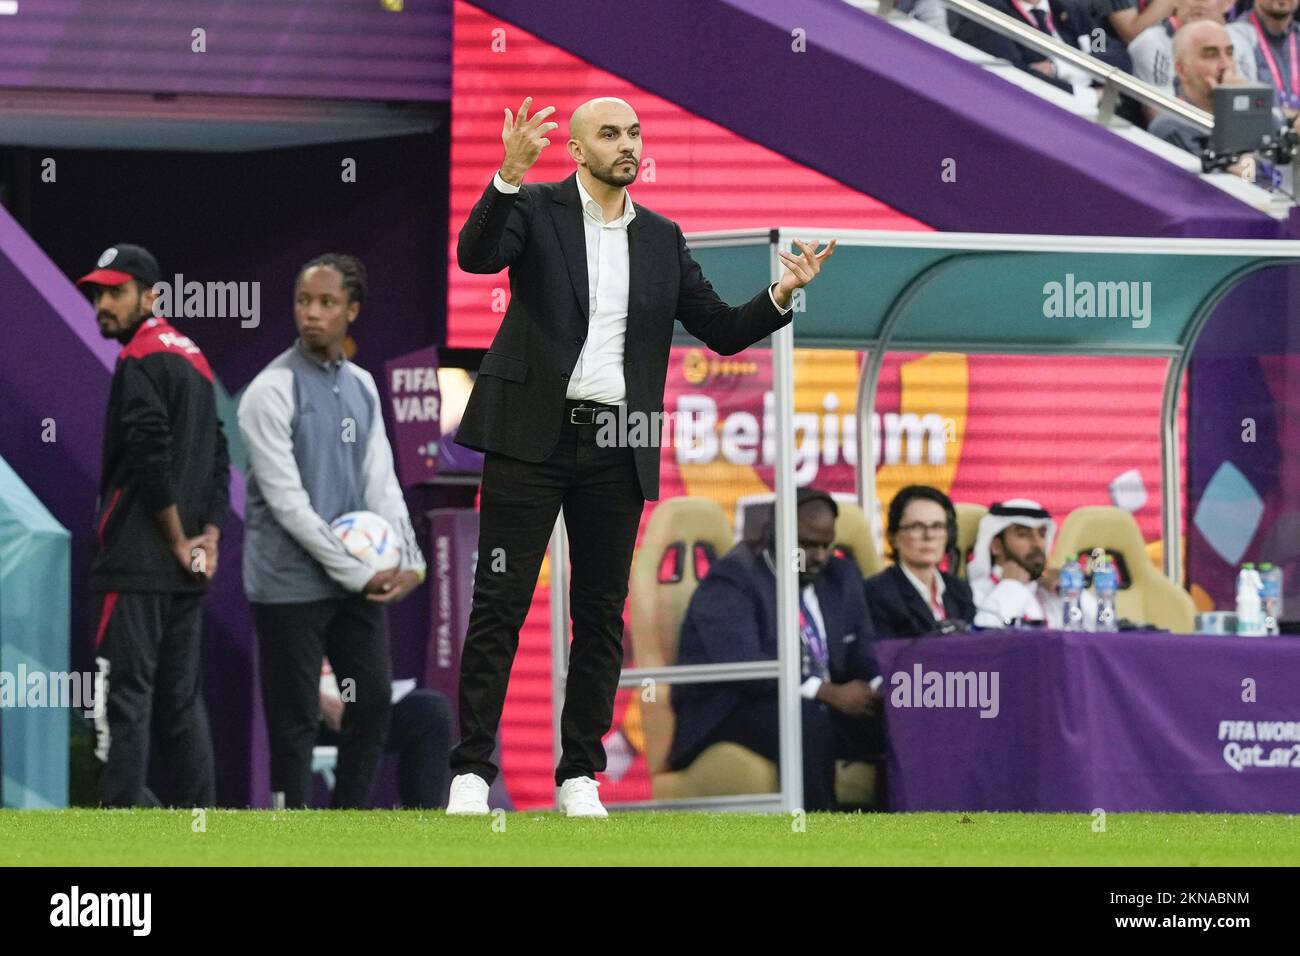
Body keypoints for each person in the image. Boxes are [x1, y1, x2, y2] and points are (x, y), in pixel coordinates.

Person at [448, 95, 836, 817]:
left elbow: (719, 329)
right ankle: (471, 770)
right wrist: (505, 174)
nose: (626, 143)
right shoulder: (534, 208)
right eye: (609, 133)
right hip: (528, 436)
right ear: (576, 148)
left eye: (633, 132)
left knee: (600, 614)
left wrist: (781, 292)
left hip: (614, 442)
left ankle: (579, 776)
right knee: (498, 605)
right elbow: (475, 257)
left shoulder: (662, 237)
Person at [238, 253, 427, 809]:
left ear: (352, 310)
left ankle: (347, 828)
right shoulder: (267, 392)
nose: (311, 314)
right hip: (287, 584)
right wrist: (362, 571)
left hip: (353, 583)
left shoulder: (364, 387)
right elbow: (290, 506)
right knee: (294, 719)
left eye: (325, 303)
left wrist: (411, 562)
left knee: (370, 704)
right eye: (303, 301)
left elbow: (382, 484)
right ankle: (294, 833)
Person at [79, 243, 228, 808]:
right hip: (184, 569)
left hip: (141, 562)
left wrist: (179, 539)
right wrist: (207, 538)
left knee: (125, 697)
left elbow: (148, 450)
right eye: (98, 294)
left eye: (115, 292)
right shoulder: (191, 355)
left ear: (152, 296)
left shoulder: (140, 355)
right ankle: (201, 824)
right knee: (180, 700)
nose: (102, 304)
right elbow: (219, 452)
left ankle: (120, 825)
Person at [667, 488, 884, 812]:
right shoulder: (733, 578)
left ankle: (903, 832)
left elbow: (863, 647)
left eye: (827, 545)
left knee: (902, 716)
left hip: (822, 701)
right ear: (776, 535)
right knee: (804, 719)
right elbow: (744, 666)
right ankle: (820, 841)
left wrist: (879, 687)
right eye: (807, 545)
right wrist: (825, 692)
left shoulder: (841, 576)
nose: (820, 556)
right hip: (736, 706)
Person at [318, 661, 452, 809]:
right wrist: (316, 699)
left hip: (350, 708)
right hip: (303, 713)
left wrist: (354, 698)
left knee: (430, 712)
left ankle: (422, 823)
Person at [864, 485, 976, 637]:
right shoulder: (876, 593)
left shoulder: (960, 591)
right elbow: (889, 657)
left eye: (937, 526)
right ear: (893, 537)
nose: (929, 536)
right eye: (916, 527)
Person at [968, 498, 1098, 628]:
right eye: (1023, 534)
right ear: (996, 546)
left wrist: (1071, 591)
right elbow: (983, 639)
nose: (1038, 543)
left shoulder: (1050, 593)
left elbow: (1104, 633)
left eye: (1042, 534)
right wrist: (1012, 585)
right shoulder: (974, 593)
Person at [952, 0, 1099, 98]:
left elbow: (1109, 49)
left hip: (1101, 102)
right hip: (1044, 107)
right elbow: (1013, 73)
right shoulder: (989, 8)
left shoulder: (1072, 7)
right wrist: (1090, 96)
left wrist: (1058, 68)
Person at [1131, 0, 1257, 113]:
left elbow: (1254, 108)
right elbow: (1162, 119)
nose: (1198, 2)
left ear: (1228, 3)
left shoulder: (1240, 41)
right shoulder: (1151, 43)